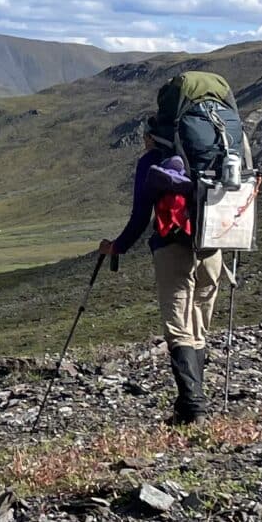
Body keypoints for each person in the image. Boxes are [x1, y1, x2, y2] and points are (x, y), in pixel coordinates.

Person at [98, 119, 224, 423]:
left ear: (152, 137)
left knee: (178, 327)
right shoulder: (214, 153)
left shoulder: (152, 161)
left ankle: (194, 408)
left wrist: (117, 247)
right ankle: (189, 404)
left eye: (145, 136)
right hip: (213, 245)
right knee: (198, 326)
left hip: (173, 246)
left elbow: (140, 215)